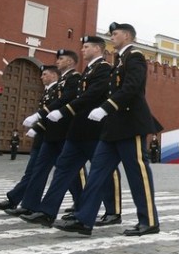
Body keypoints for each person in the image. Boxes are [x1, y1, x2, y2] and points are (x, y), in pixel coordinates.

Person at [55, 21, 163, 237]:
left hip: (130, 124)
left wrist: (105, 108)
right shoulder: (120, 59)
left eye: (115, 34)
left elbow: (132, 87)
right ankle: (84, 219)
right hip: (113, 127)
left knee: (137, 173)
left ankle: (149, 221)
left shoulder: (135, 56)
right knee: (97, 173)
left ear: (127, 36)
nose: (111, 37)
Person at [20, 35, 123, 227]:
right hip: (77, 130)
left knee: (106, 172)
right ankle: (47, 212)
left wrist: (64, 111)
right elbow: (77, 96)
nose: (82, 50)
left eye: (86, 47)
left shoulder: (104, 69)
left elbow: (92, 95)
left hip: (95, 130)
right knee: (62, 170)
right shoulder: (87, 71)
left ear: (98, 49)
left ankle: (113, 211)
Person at [0, 66, 60, 211]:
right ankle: (17, 201)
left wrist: (37, 127)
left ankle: (79, 204)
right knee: (32, 172)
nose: (41, 77)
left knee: (66, 175)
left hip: (52, 137)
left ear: (54, 76)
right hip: (42, 137)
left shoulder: (57, 91)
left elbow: (53, 113)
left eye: (45, 74)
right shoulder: (48, 92)